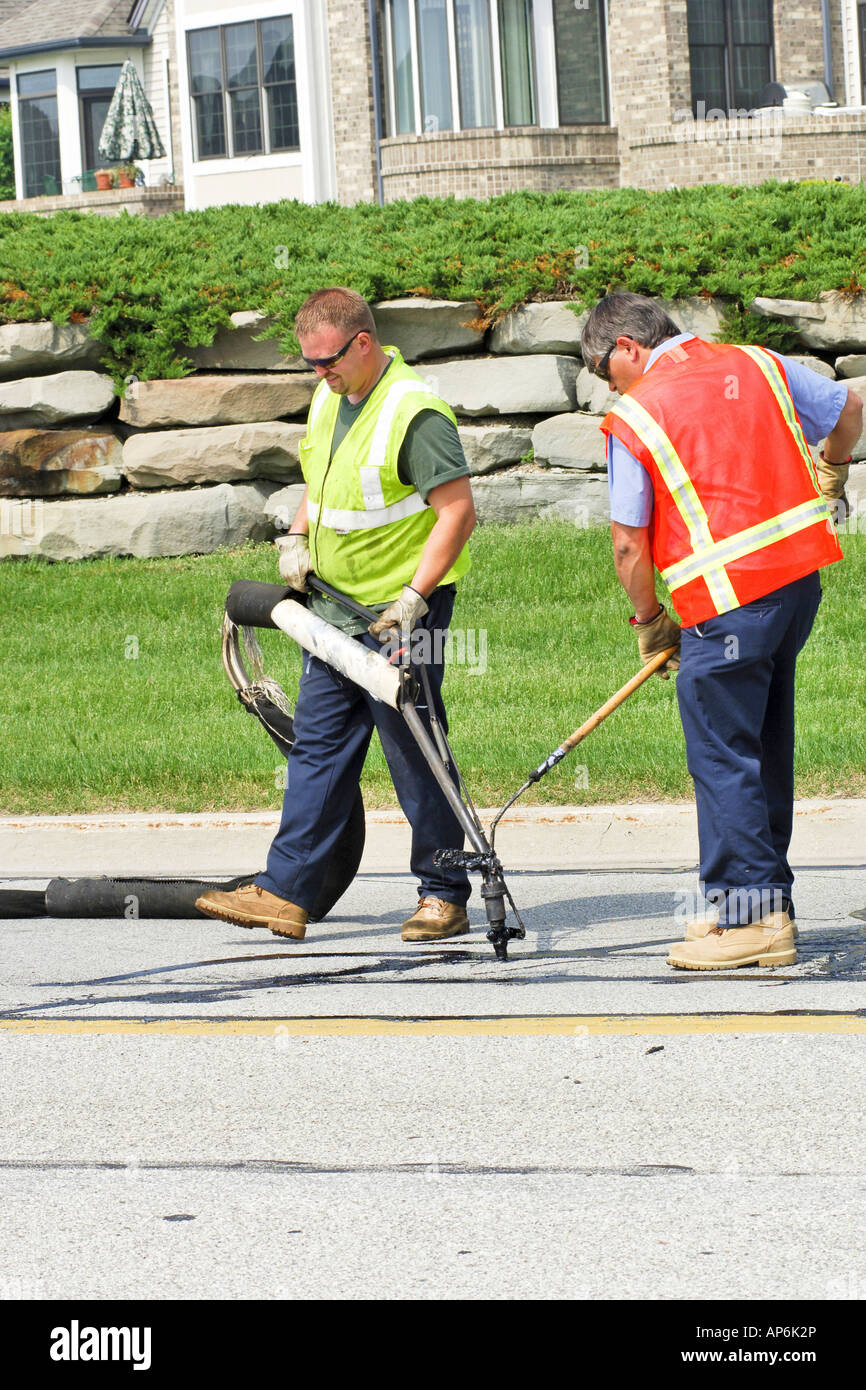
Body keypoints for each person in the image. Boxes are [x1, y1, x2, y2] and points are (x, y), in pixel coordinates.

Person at [580, 292, 862, 970]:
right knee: (760, 744)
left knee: (722, 753)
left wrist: (650, 623)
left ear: (626, 346)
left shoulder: (638, 414)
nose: (605, 386)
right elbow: (852, 407)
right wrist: (835, 469)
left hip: (729, 602)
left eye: (601, 369)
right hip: (796, 586)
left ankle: (752, 916)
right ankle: (762, 906)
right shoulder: (759, 363)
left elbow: (627, 546)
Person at [197, 288, 476, 943]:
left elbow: (458, 512)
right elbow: (323, 493)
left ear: (363, 342)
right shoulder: (329, 397)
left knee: (414, 752)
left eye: (328, 361)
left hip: (403, 618)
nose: (319, 374)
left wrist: (414, 598)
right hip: (329, 613)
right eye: (309, 363)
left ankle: (444, 894)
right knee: (317, 752)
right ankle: (286, 892)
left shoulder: (415, 413)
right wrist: (296, 536)